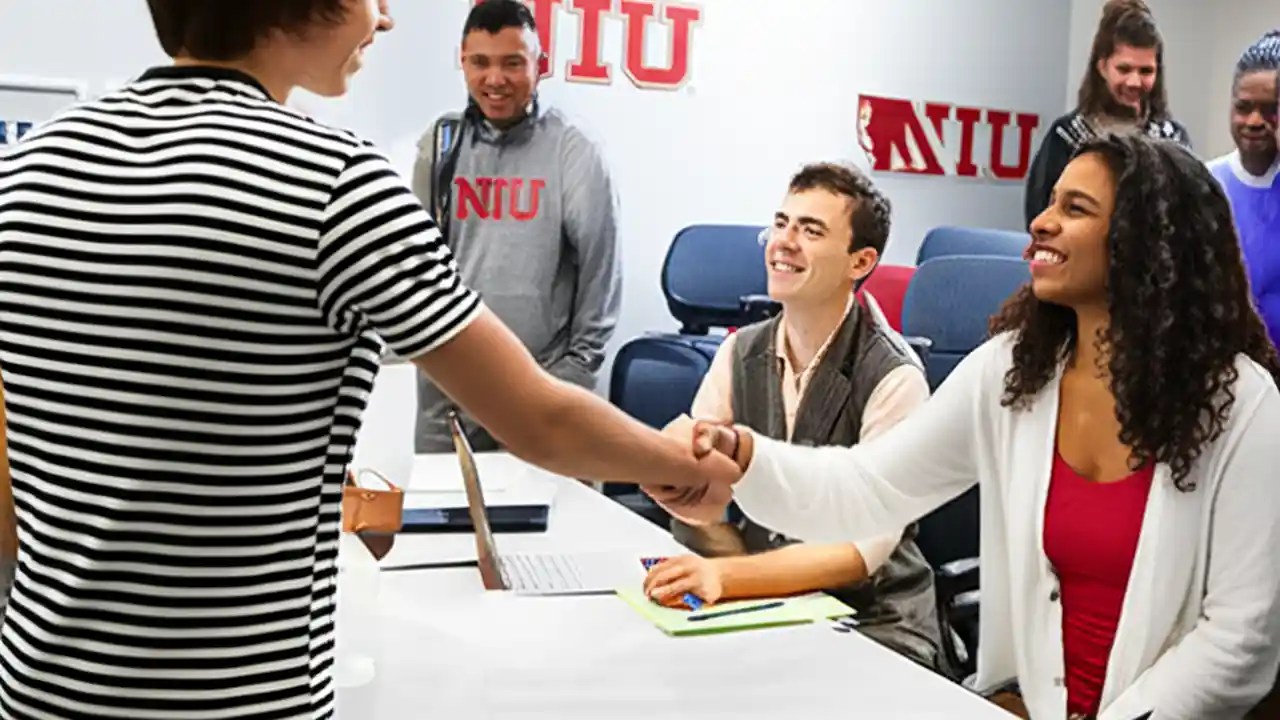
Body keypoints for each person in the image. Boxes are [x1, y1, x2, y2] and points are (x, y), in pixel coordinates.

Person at [0, 1, 732, 717]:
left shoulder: (25, 170)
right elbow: (536, 416)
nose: (384, 19)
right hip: (240, 693)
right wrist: (686, 467)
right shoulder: (334, 182)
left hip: (43, 681)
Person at [651, 133, 1280, 719]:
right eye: (1050, 201)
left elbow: (1240, 635)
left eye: (1076, 208)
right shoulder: (1014, 371)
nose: (1040, 221)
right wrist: (742, 456)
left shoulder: (1240, 403)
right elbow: (868, 488)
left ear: (1146, 243)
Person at [648, 162, 945, 673]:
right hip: (760, 593)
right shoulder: (740, 352)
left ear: (861, 261)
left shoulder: (895, 377)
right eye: (782, 223)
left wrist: (729, 581)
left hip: (873, 619)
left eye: (810, 231)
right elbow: (704, 497)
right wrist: (679, 478)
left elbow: (860, 554)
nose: (784, 242)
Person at [409, 0, 622, 452]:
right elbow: (418, 266)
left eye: (512, 63)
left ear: (539, 65)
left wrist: (569, 381)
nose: (495, 80)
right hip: (447, 400)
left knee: (549, 523)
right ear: (461, 62)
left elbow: (601, 280)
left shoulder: (575, 149)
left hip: (543, 395)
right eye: (480, 63)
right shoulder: (441, 143)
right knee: (442, 521)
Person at [1023, 0, 1190, 227]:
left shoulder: (1173, 140)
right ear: (1102, 67)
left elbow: (1188, 221)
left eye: (1146, 71)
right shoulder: (1067, 136)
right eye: (1124, 69)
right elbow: (1040, 217)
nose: (1134, 81)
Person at [1209, 31, 1280, 349]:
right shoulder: (1204, 184)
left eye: (1270, 110)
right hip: (1227, 372)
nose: (1254, 121)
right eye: (1243, 107)